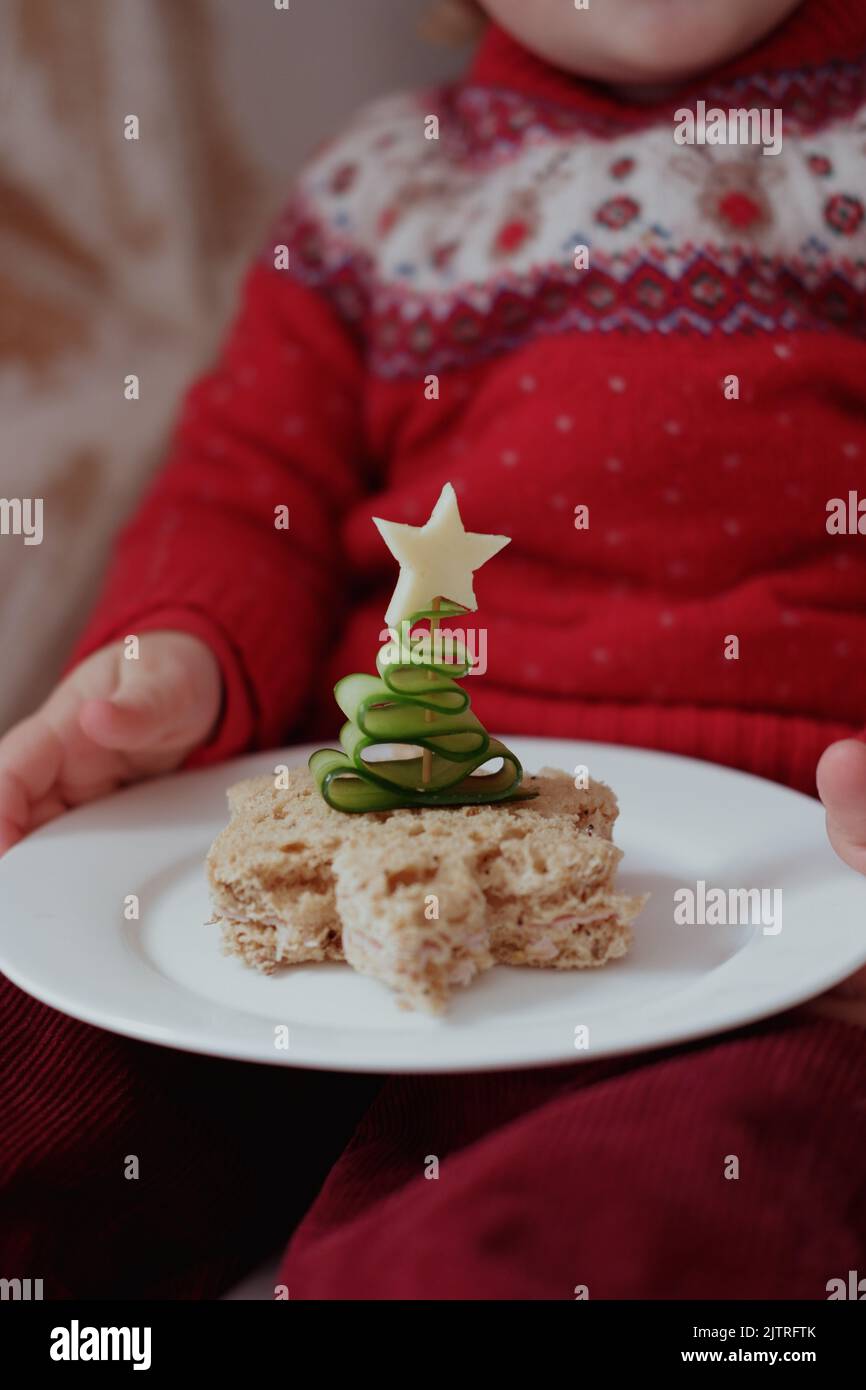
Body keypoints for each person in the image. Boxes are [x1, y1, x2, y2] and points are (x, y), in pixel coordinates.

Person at [1, 0, 864, 1298]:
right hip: (343, 859)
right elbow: (249, 486)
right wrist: (177, 658)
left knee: (584, 1228)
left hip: (780, 934)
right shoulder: (378, 192)